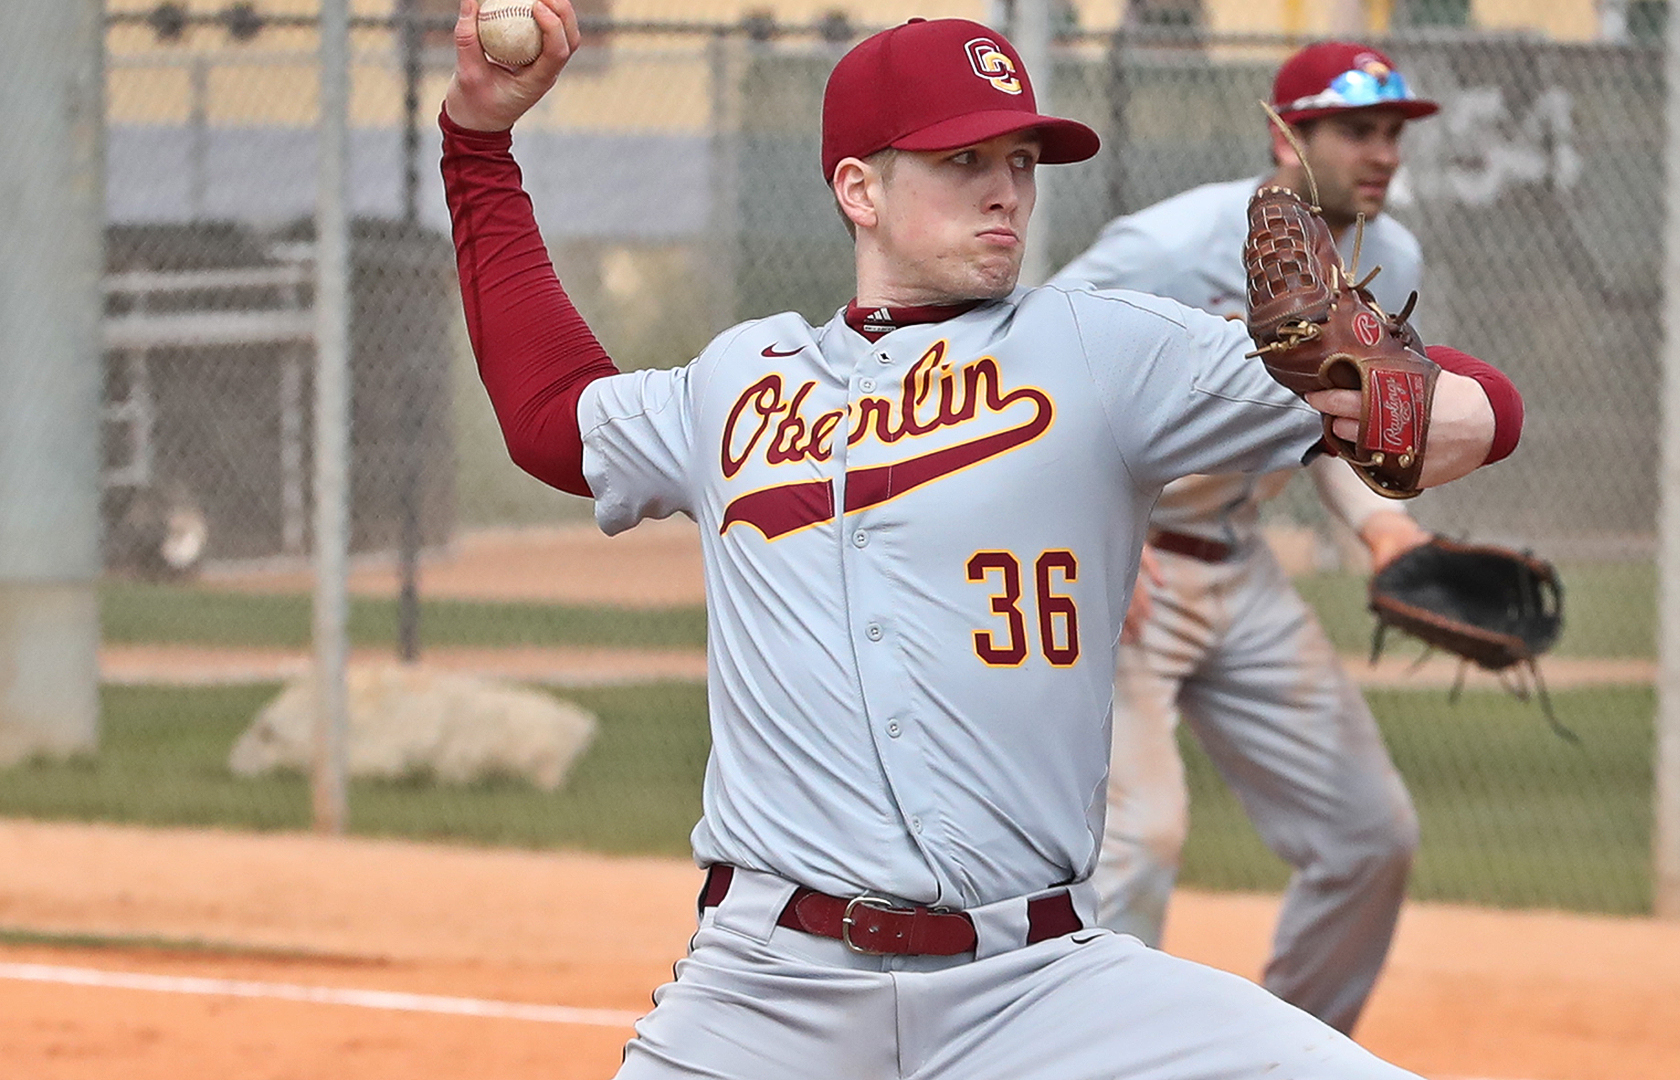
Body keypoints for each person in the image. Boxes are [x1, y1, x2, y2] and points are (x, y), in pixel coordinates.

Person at [440, 4, 1518, 1076]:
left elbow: (1476, 410)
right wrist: (479, 144)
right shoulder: (738, 381)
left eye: (1020, 160)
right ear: (859, 189)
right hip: (763, 992)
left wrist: (1395, 384)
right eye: (963, 159)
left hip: (1041, 986)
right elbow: (553, 419)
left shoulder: (1105, 351)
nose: (1006, 188)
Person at [1050, 42, 1514, 1036]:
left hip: (1239, 567)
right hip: (1126, 571)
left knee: (1368, 835)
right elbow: (1037, 367)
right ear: (1285, 137)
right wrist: (1084, 532)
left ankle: (1292, 1055)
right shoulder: (1170, 243)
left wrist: (1388, 531)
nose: (1382, 152)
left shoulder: (1394, 256)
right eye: (1356, 130)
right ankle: (1083, 1057)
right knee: (1135, 843)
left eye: (1393, 132)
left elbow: (1341, 427)